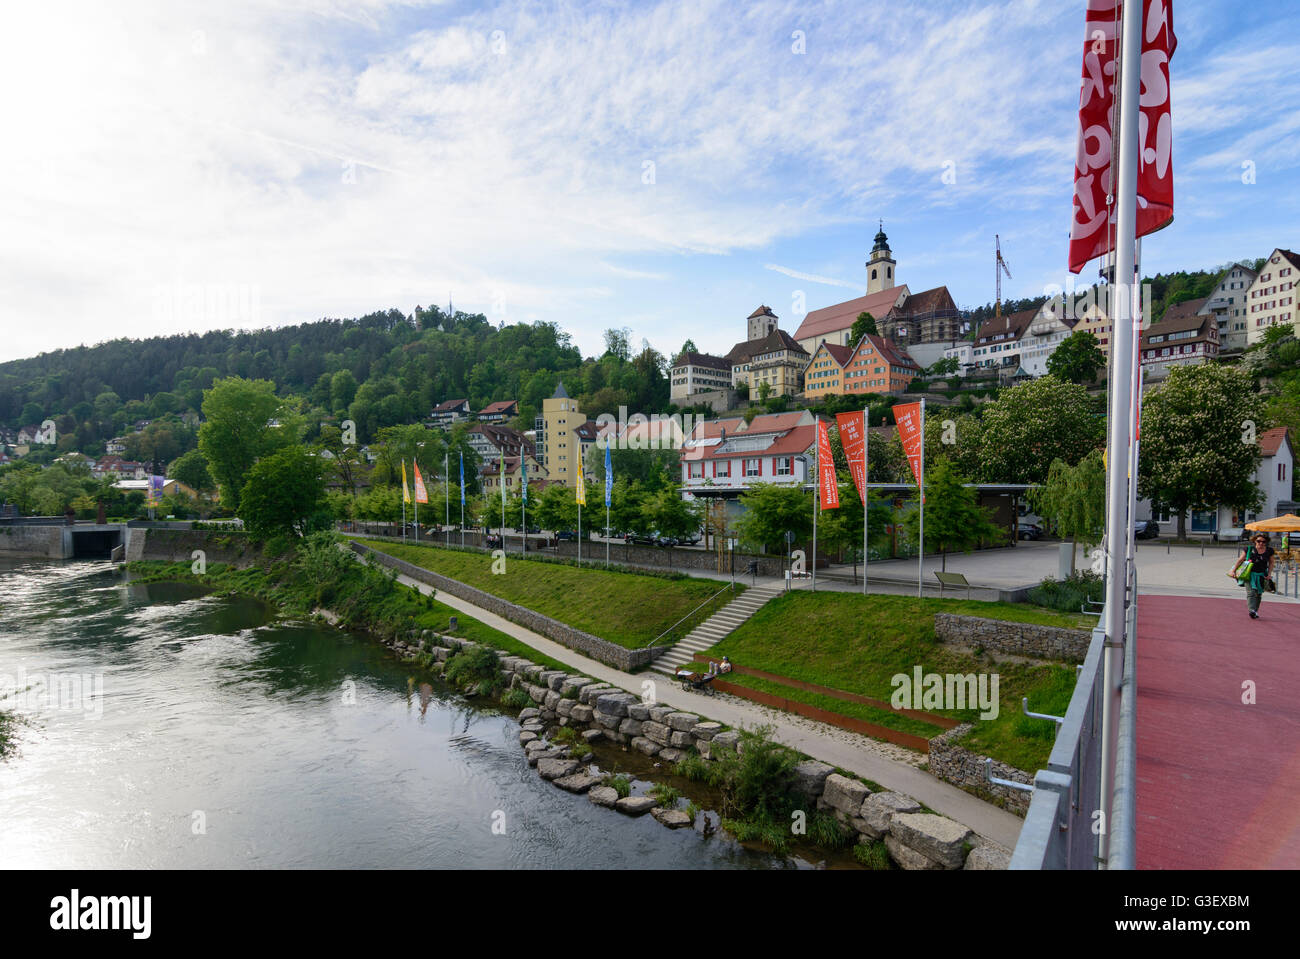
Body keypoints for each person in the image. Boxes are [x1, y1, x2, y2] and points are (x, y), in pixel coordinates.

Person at [1236, 533, 1276, 619]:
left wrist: (1269, 574)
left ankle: (1255, 611)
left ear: (1266, 542)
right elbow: (1240, 560)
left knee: (1258, 594)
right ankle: (1252, 610)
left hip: (1262, 575)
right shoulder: (1249, 549)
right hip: (1249, 574)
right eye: (1259, 541)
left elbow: (1272, 562)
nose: (1261, 543)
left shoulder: (1269, 550)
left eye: (1263, 542)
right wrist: (1233, 571)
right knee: (1251, 592)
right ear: (1255, 541)